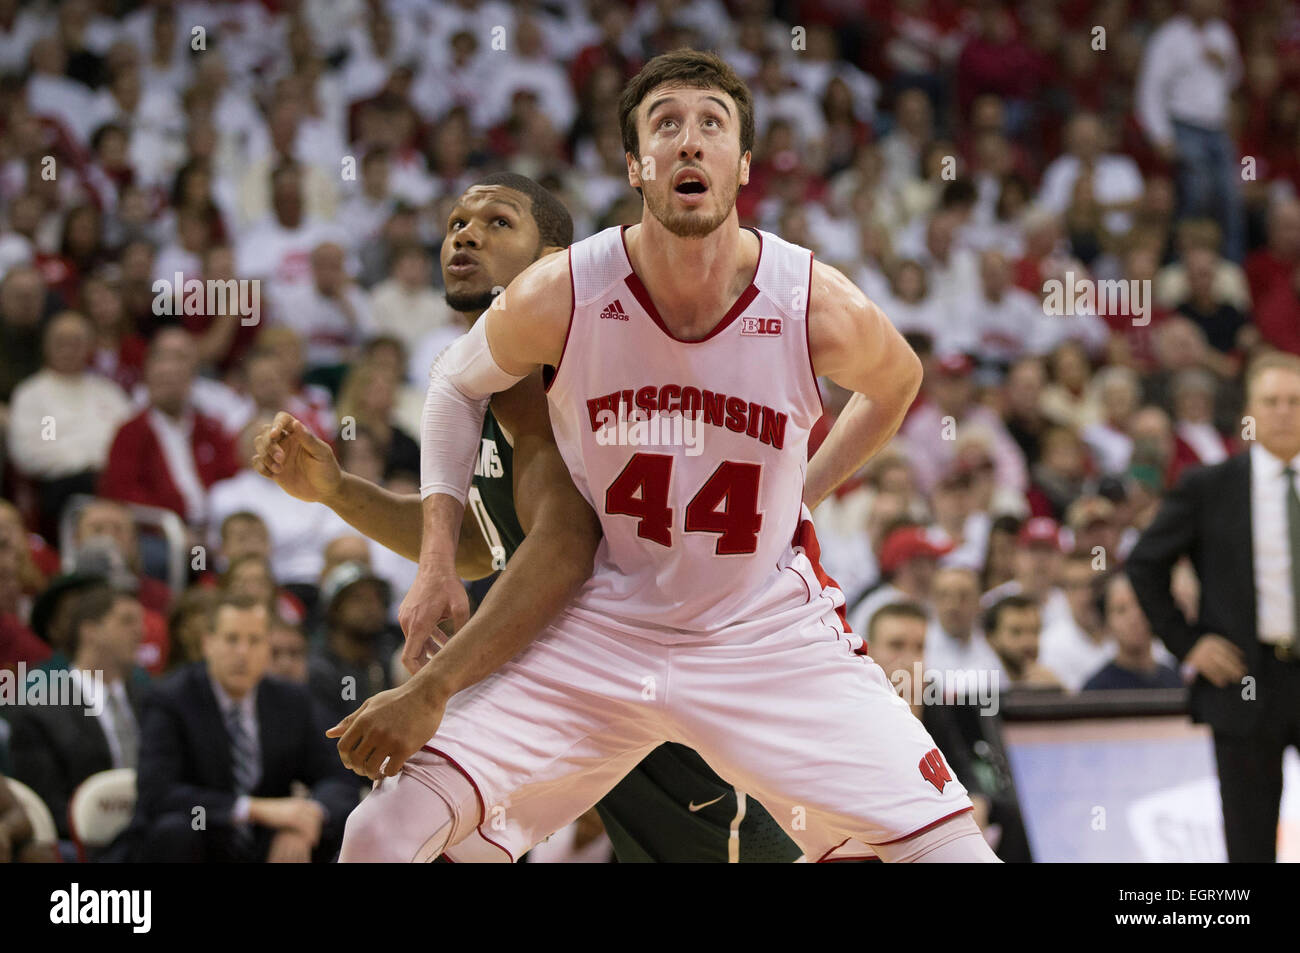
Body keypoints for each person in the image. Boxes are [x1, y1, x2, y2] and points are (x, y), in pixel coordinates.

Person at [338, 51, 994, 863]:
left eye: (712, 124)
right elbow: (452, 386)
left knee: (958, 853)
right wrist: (436, 560)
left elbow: (898, 382)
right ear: (635, 167)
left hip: (765, 634)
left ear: (742, 165)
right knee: (378, 830)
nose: (690, 142)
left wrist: (805, 491)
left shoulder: (807, 299)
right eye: (666, 124)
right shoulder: (569, 290)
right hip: (605, 628)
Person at [255, 171, 801, 861]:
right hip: (577, 683)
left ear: (550, 262)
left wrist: (432, 685)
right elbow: (482, 546)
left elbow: (562, 546)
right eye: (456, 222)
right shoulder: (478, 380)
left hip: (670, 673)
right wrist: (337, 491)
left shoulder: (552, 368)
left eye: (497, 221)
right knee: (388, 831)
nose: (465, 233)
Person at [1127, 352, 1300, 861]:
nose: (1285, 412)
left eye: (1295, 401)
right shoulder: (1211, 486)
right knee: (1248, 844)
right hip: (1243, 677)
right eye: (1272, 402)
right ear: (1249, 410)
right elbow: (1144, 564)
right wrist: (1188, 642)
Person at [118, 594, 357, 862]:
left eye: (254, 641)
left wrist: (307, 819)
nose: (243, 652)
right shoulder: (170, 699)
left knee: (333, 829)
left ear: (267, 648)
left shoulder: (291, 701)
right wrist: (251, 809)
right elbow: (157, 793)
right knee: (175, 830)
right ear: (208, 644)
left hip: (263, 845)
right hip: (198, 839)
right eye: (232, 639)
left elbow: (339, 778)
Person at [5, 584, 144, 841]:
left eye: (140, 622)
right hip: (84, 843)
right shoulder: (39, 711)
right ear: (90, 632)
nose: (140, 632)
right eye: (126, 621)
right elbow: (46, 809)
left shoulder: (152, 699)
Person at [1083, 574, 1181, 691]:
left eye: (1141, 604)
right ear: (1107, 623)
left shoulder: (1175, 681)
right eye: (1121, 610)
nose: (1134, 618)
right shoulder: (1096, 690)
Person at [983, 594, 1064, 691]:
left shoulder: (1049, 678)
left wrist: (1058, 691)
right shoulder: (976, 687)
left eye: (1034, 631)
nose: (1028, 641)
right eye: (1016, 632)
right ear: (991, 638)